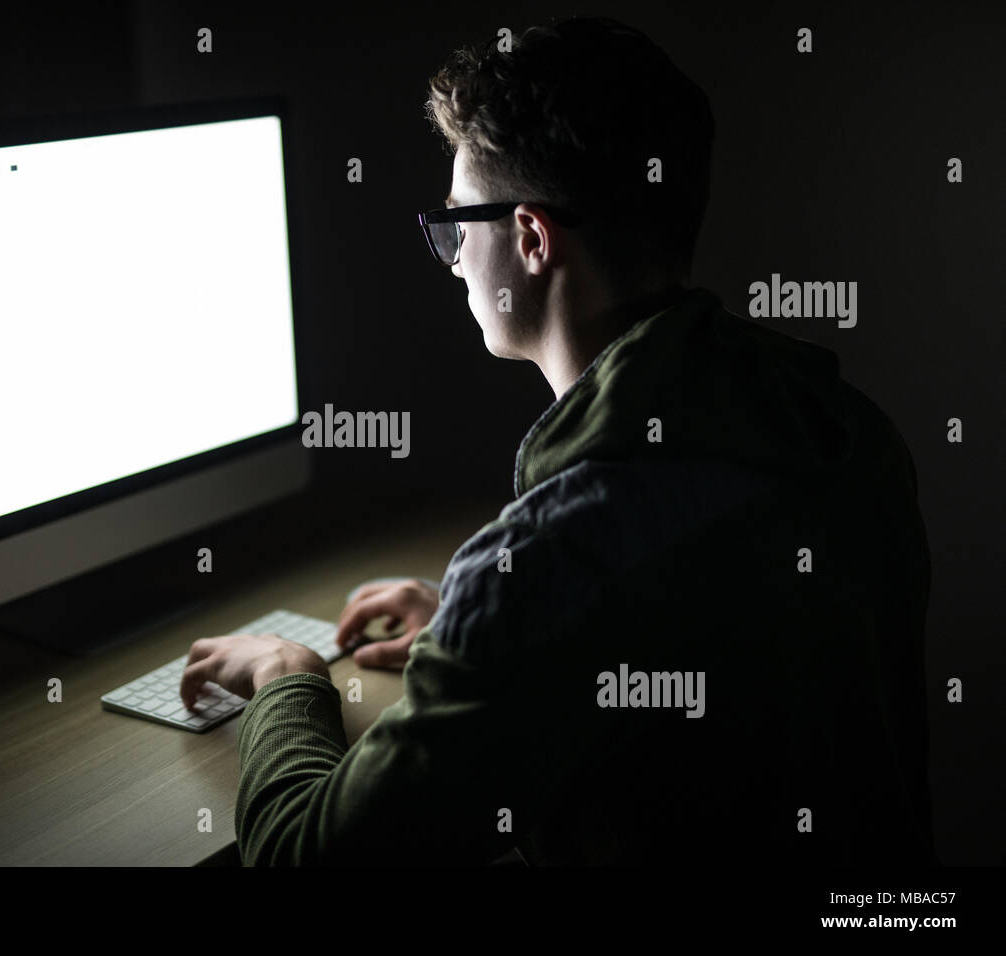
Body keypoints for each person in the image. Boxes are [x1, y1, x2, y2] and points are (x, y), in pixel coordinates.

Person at [178, 15, 935, 865]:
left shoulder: (557, 556)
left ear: (532, 239)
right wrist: (468, 630)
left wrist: (288, 678)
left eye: (459, 223)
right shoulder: (842, 428)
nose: (456, 258)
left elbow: (302, 857)